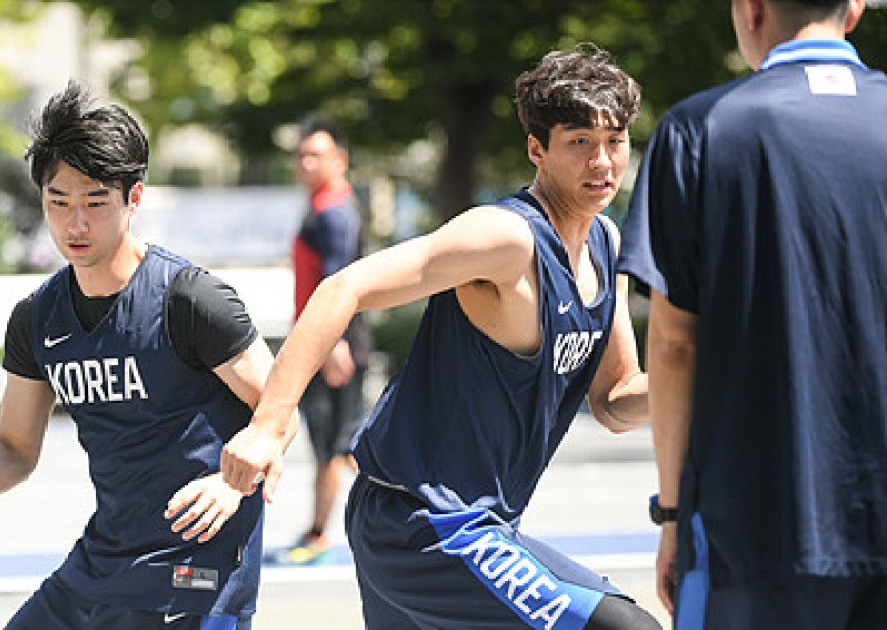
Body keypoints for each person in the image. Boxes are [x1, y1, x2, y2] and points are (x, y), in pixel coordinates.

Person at [222, 45, 661, 629]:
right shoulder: (505, 238)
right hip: (422, 520)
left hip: (471, 524)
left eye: (615, 141)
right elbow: (342, 288)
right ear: (537, 149)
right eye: (580, 141)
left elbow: (614, 400)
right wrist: (268, 425)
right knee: (628, 628)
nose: (602, 161)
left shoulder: (605, 244)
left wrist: (707, 381)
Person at [0, 81, 296, 630]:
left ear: (133, 198)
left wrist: (233, 479)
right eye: (58, 202)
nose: (76, 224)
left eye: (95, 202)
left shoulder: (190, 300)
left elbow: (281, 411)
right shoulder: (38, 318)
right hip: (101, 565)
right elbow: (14, 451)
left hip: (193, 576)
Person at [618, 0, 887, 627]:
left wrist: (674, 515)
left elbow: (674, 345)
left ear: (751, 10)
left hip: (755, 524)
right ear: (852, 13)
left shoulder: (699, 131)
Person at [270, 115, 373, 566]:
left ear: (340, 160)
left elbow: (337, 279)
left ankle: (318, 533)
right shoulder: (324, 206)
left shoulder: (333, 211)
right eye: (302, 155)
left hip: (334, 347)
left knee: (335, 448)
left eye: (318, 154)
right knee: (336, 447)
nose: (307, 163)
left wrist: (333, 344)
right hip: (326, 344)